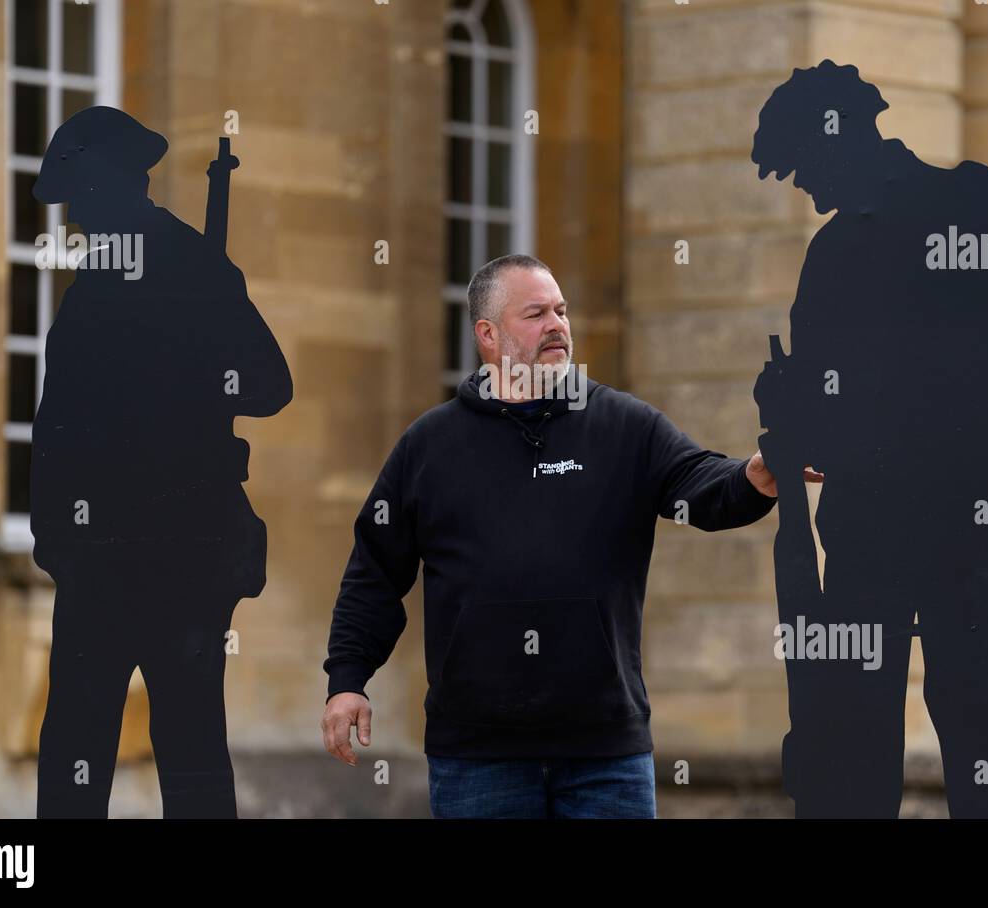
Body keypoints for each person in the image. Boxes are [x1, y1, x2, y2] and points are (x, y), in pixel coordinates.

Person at [321, 254, 802, 818]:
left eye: (562, 310)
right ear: (489, 334)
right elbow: (373, 574)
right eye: (535, 313)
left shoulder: (625, 426)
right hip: (479, 758)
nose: (557, 325)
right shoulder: (429, 447)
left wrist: (758, 474)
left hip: (604, 755)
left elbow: (701, 485)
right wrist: (347, 680)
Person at [750, 60, 988, 818]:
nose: (807, 190)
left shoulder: (972, 196)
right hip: (871, 523)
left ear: (841, 135)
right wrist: (791, 407)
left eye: (807, 167)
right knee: (853, 739)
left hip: (948, 513)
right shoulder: (834, 253)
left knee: (975, 721)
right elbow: (825, 411)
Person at [31, 106, 292, 817]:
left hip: (183, 552)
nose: (76, 222)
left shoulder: (197, 269)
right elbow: (55, 428)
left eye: (81, 201)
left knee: (190, 752)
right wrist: (55, 540)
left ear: (118, 186)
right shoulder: (91, 293)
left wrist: (203, 372)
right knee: (75, 758)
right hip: (97, 557)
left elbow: (270, 385)